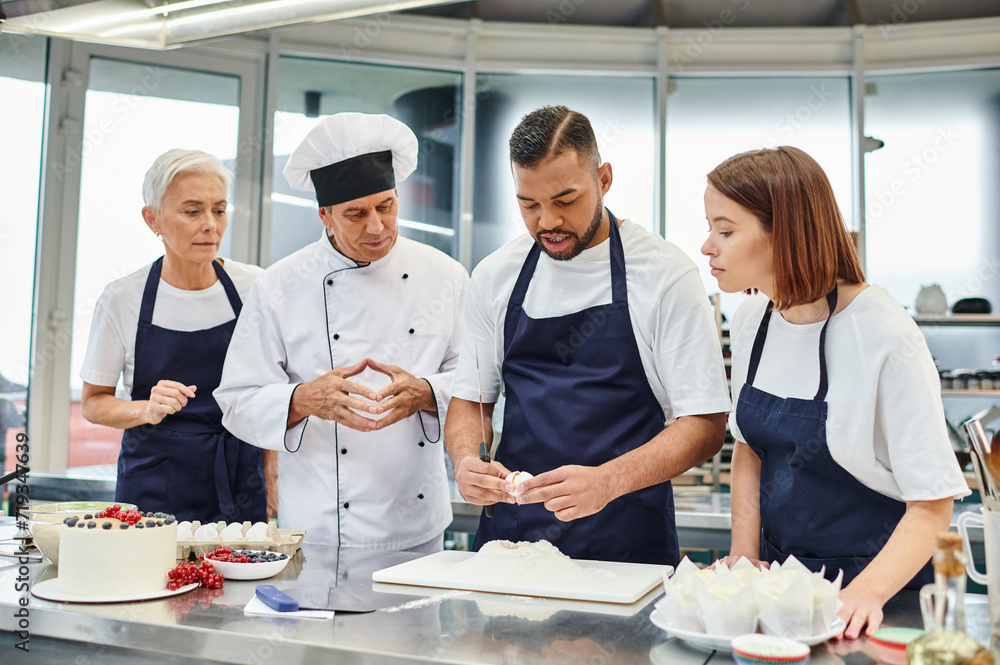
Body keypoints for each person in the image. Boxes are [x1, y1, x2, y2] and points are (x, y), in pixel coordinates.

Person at [701, 146, 969, 637]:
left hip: (886, 592)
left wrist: (865, 592)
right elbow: (748, 448)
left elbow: (933, 502)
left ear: (783, 234)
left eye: (725, 230)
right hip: (789, 585)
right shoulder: (750, 321)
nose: (707, 247)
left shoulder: (882, 330)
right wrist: (744, 557)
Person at [444, 106, 730, 566]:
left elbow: (705, 425)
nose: (547, 222)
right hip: (512, 541)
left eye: (565, 199)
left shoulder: (664, 274)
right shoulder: (495, 275)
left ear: (605, 178)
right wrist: (465, 461)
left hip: (625, 541)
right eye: (529, 205)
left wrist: (608, 481)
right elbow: (472, 401)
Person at [215, 112, 469, 551]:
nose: (376, 226)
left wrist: (426, 392)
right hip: (319, 528)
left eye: (386, 206)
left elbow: (479, 382)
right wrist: (302, 399)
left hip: (417, 526)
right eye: (355, 213)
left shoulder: (445, 276)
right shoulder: (279, 285)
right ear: (325, 215)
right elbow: (236, 402)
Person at [81, 149, 267, 523]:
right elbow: (93, 403)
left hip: (239, 478)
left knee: (238, 581)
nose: (211, 225)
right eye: (192, 211)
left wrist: (273, 475)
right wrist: (145, 408)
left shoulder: (255, 287)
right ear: (153, 219)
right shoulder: (123, 298)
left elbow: (270, 391)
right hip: (153, 484)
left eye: (219, 209)